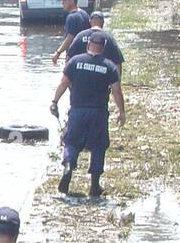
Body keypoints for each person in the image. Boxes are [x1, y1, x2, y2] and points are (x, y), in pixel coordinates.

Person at [51, 30, 125, 197]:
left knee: (71, 142)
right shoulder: (109, 66)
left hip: (77, 111)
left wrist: (54, 102)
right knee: (98, 146)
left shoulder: (75, 62)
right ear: (103, 48)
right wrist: (122, 112)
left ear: (88, 44)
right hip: (98, 113)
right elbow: (117, 91)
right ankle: (94, 185)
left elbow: (63, 83)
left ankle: (69, 165)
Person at [50, 0, 90, 66]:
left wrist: (58, 53)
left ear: (71, 1)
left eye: (64, 0)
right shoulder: (85, 14)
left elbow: (70, 38)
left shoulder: (71, 17)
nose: (62, 3)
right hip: (86, 54)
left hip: (74, 55)